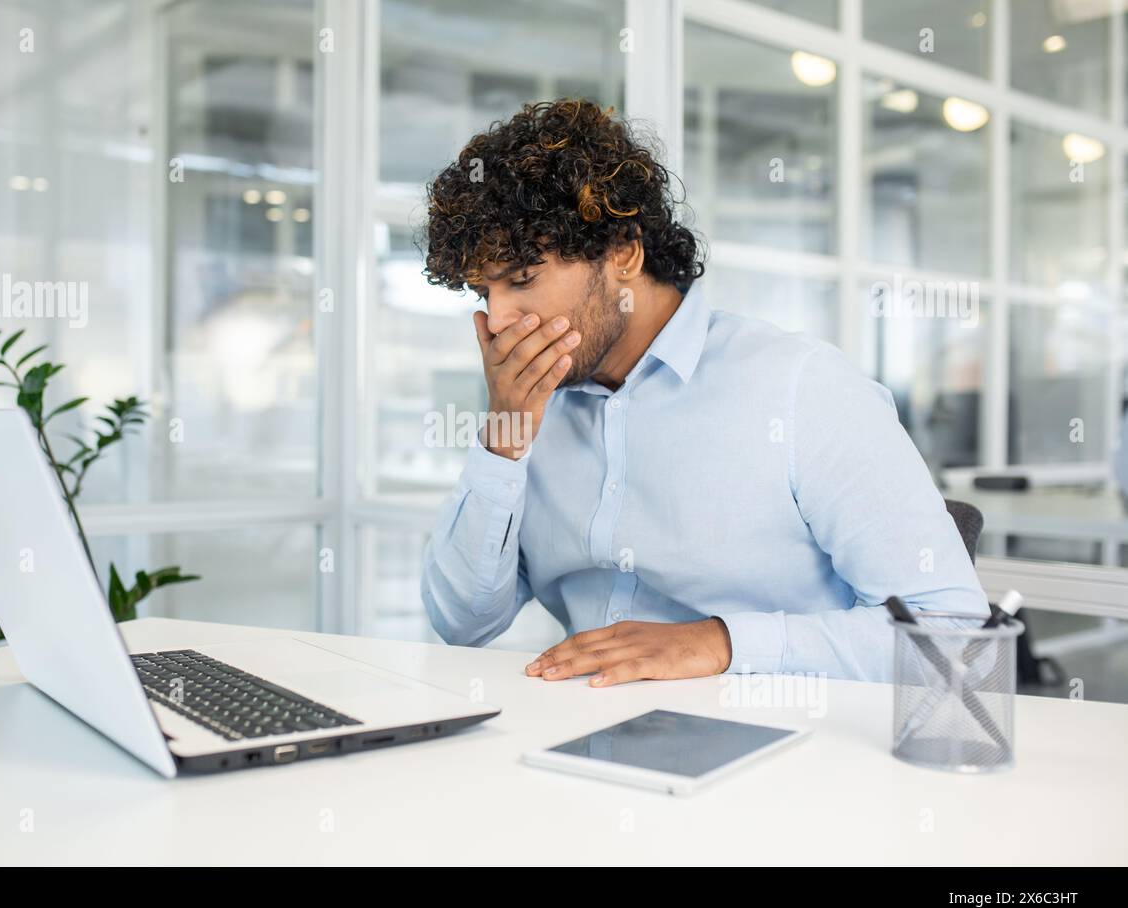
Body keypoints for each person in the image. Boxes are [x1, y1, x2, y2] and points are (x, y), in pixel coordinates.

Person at [419, 99, 988, 684]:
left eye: (521, 280)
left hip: (790, 750)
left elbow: (952, 633)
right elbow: (463, 623)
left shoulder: (802, 388)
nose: (501, 318)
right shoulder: (530, 410)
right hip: (584, 740)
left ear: (623, 252)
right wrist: (503, 442)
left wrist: (723, 643)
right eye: (483, 293)